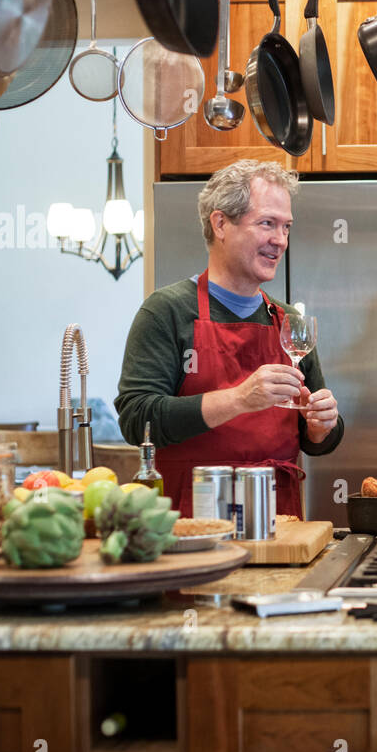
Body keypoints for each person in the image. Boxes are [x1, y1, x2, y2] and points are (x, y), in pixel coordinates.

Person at [115, 160, 343, 518]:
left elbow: (318, 437)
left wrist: (321, 425)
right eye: (267, 223)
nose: (280, 240)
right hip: (190, 522)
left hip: (278, 520)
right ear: (220, 223)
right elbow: (137, 419)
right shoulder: (166, 312)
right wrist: (239, 398)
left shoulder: (287, 320)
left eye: (286, 227)